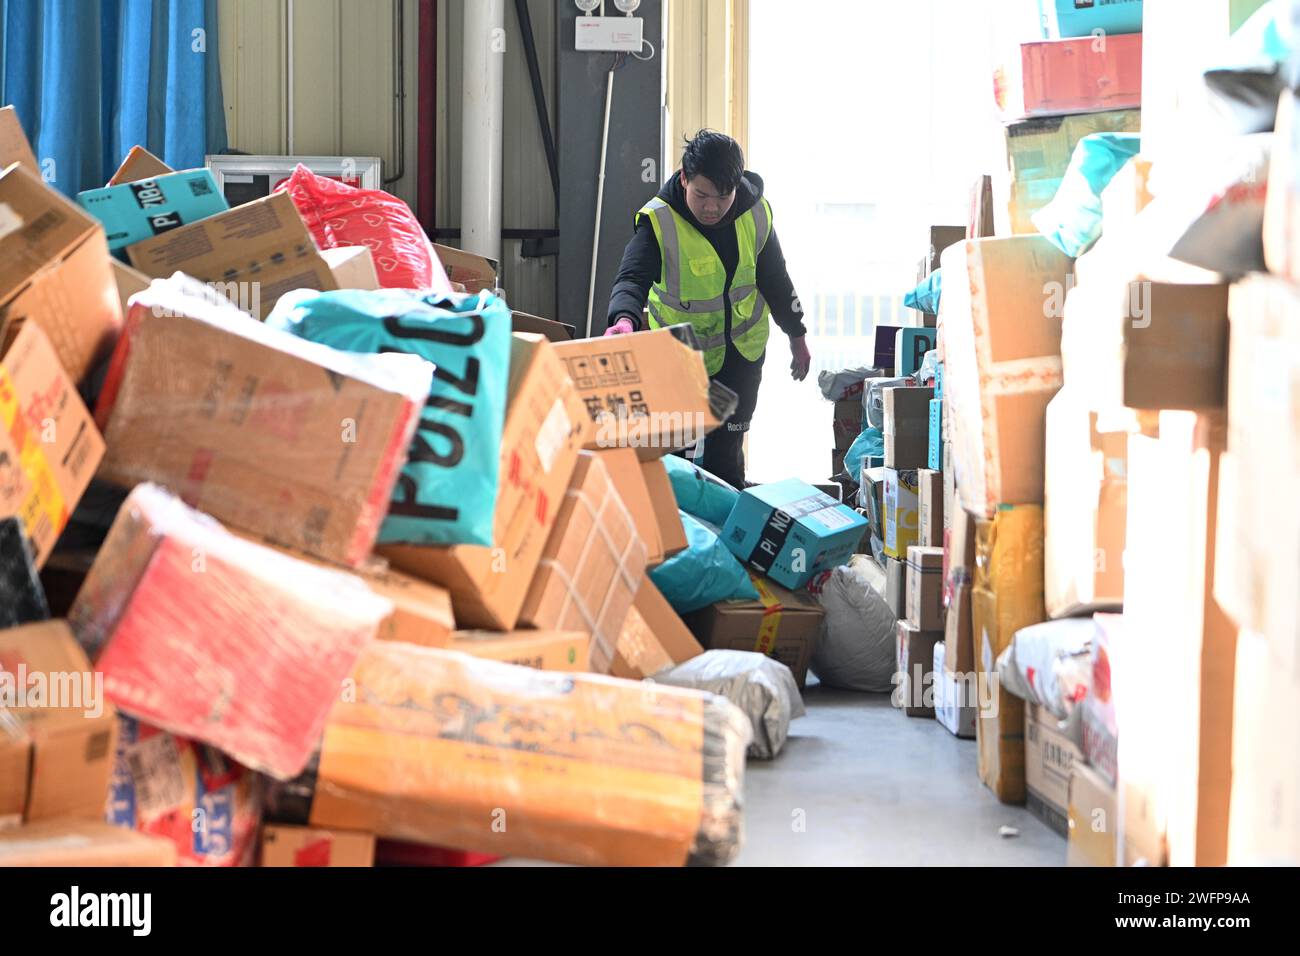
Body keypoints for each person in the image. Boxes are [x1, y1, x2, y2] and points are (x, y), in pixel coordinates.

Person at [604, 129, 811, 490]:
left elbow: (775, 277)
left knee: (726, 457)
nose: (712, 207)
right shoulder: (661, 222)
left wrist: (797, 334)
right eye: (701, 194)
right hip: (681, 359)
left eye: (723, 196)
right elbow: (631, 278)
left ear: (736, 187)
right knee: (677, 459)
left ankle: (727, 540)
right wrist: (624, 319)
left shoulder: (755, 214)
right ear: (684, 178)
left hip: (740, 358)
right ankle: (682, 539)